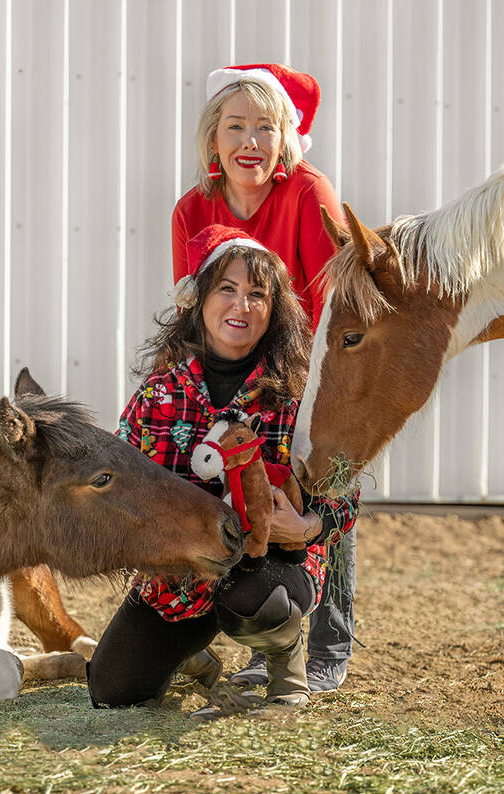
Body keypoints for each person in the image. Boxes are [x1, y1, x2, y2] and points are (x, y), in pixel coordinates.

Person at [87, 225, 357, 712]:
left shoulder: (300, 397)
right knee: (113, 691)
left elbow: (346, 495)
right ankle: (191, 655)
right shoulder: (158, 396)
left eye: (257, 294)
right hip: (180, 577)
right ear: (199, 300)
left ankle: (285, 660)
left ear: (275, 310)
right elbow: (117, 485)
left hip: (267, 567)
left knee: (254, 604)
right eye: (227, 290)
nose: (242, 305)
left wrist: (309, 525)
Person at [172, 63, 356, 692]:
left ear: (285, 140)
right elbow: (192, 309)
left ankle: (329, 642)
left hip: (301, 366)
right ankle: (229, 632)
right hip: (228, 370)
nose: (250, 141)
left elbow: (334, 306)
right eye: (235, 127)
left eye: (264, 128)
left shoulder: (308, 193)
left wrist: (302, 395)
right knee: (229, 495)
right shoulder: (192, 208)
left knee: (316, 492)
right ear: (212, 139)